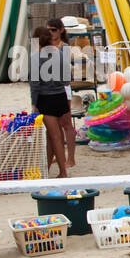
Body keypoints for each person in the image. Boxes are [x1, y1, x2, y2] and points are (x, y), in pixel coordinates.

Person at [31, 24, 75, 178]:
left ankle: (63, 172)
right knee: (53, 136)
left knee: (54, 137)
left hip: (46, 99)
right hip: (61, 97)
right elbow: (68, 79)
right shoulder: (60, 53)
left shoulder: (37, 57)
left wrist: (34, 104)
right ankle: (47, 169)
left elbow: (35, 85)